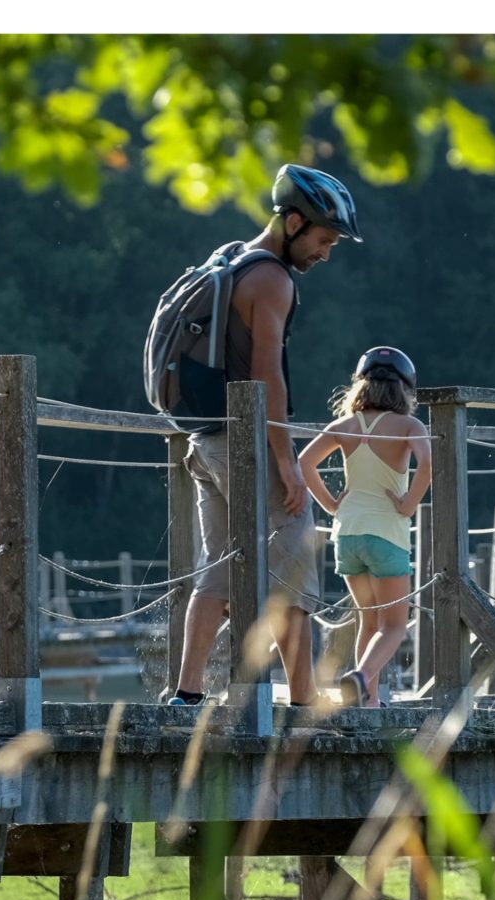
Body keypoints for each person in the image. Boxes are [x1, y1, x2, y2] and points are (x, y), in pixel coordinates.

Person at [163, 164, 362, 707]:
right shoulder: (272, 279)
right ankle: (303, 698)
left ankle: (186, 693)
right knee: (296, 549)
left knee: (220, 564)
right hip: (243, 443)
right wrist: (288, 460)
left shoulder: (229, 260)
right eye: (324, 239)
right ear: (294, 222)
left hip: (205, 439)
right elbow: (266, 374)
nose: (326, 253)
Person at [298, 347, 430, 707]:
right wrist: (410, 503)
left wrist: (330, 504)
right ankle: (361, 677)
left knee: (368, 621)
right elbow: (429, 461)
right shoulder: (408, 426)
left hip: (348, 533)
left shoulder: (343, 426)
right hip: (386, 533)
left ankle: (366, 701)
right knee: (395, 625)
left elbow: (304, 462)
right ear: (404, 388)